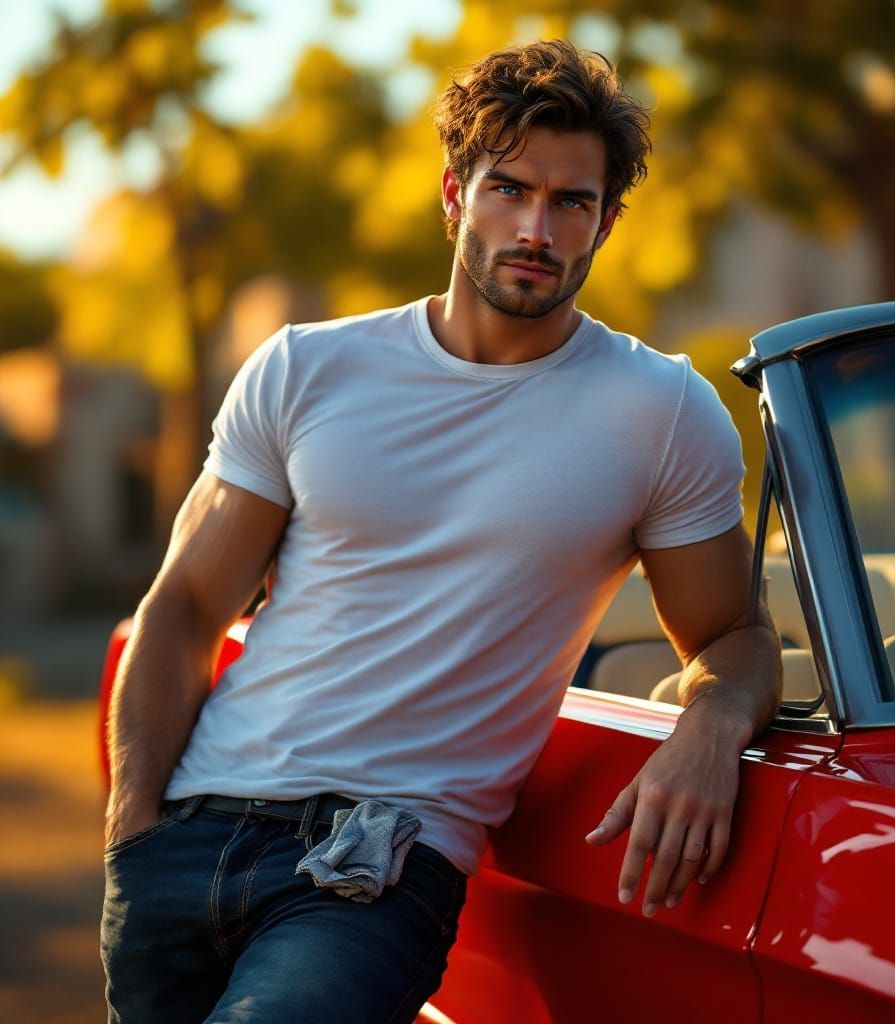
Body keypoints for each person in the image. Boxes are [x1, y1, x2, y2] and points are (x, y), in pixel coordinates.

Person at [101, 38, 781, 1024]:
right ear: (455, 193)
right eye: (509, 189)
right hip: (189, 838)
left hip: (376, 864)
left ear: (606, 221)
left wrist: (710, 726)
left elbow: (734, 636)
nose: (537, 228)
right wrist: (133, 835)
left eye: (571, 202)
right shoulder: (305, 368)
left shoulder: (659, 410)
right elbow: (186, 606)